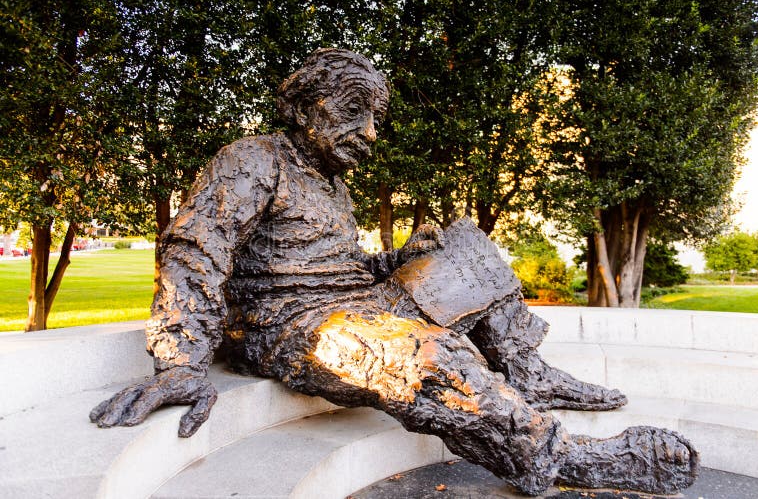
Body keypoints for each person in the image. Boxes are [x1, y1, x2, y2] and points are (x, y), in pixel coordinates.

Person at [91, 48, 697, 496]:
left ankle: (526, 371)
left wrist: (403, 257)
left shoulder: (332, 184)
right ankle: (557, 456)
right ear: (304, 107)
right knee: (427, 357)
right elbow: (196, 248)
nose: (370, 134)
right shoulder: (254, 159)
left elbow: (341, 269)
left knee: (467, 244)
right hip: (296, 329)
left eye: (375, 117)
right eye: (355, 112)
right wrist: (181, 361)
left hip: (356, 302)